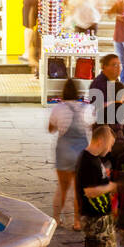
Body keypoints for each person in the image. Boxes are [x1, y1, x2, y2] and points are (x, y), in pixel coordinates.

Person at [73, 124, 124, 247]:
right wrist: (111, 186)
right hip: (92, 215)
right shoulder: (87, 160)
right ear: (101, 140)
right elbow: (89, 191)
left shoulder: (96, 159)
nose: (110, 148)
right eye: (109, 144)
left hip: (104, 214)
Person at [48, 78, 92, 228]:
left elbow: (51, 128)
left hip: (64, 151)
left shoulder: (58, 108)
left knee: (62, 187)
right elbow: (91, 128)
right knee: (78, 189)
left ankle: (56, 219)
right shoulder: (86, 108)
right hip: (81, 152)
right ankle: (77, 221)